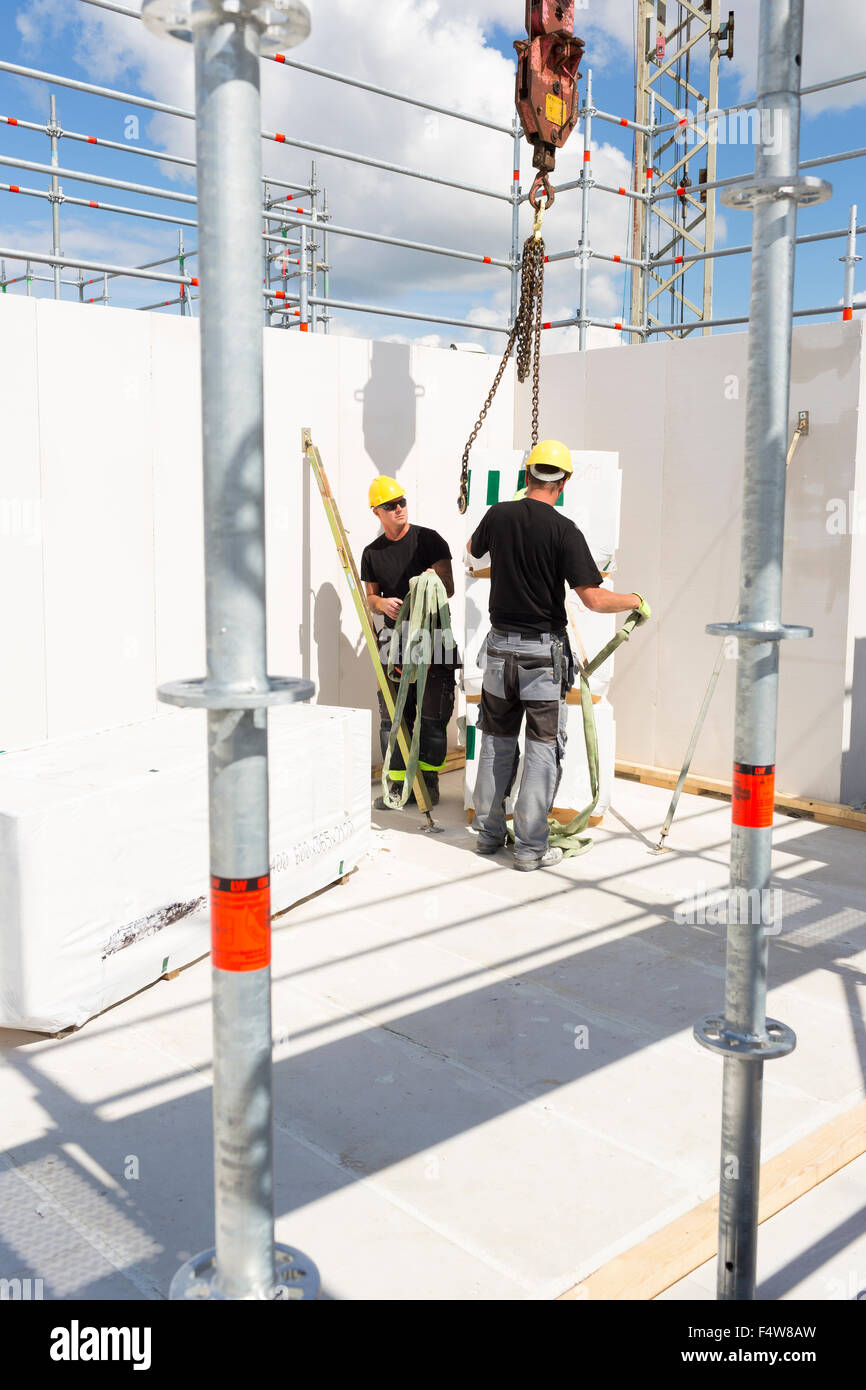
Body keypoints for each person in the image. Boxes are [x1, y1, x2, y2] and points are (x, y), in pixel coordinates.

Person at [467, 439, 650, 870]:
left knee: (495, 741)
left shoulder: (499, 514)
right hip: (540, 658)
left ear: (526, 476)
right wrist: (635, 599)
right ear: (562, 482)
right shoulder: (564, 530)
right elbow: (593, 599)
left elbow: (474, 550)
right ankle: (530, 849)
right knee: (541, 749)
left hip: (499, 651)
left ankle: (489, 835)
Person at [361, 476, 456, 808]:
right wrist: (381, 604)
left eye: (402, 502)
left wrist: (433, 580)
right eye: (391, 505)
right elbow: (369, 598)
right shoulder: (372, 554)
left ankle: (427, 782)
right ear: (377, 512)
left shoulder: (429, 540)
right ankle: (398, 783)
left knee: (433, 713)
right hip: (394, 639)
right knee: (393, 713)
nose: (399, 508)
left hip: (435, 635)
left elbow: (448, 584)